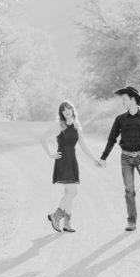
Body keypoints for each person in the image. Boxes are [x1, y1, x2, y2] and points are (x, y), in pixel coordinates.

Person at [99, 85, 140, 232]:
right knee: (129, 191)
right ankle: (131, 221)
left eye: (124, 99)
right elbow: (111, 139)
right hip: (126, 159)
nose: (122, 102)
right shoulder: (120, 119)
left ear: (132, 99)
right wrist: (104, 157)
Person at [40, 99, 103, 233]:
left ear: (73, 110)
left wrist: (94, 160)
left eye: (69, 108)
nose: (67, 111)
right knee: (73, 192)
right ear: (61, 113)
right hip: (63, 161)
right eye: (64, 109)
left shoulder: (76, 126)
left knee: (68, 193)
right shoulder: (59, 125)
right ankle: (55, 216)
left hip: (72, 161)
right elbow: (43, 138)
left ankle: (67, 224)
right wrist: (51, 154)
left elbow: (84, 146)